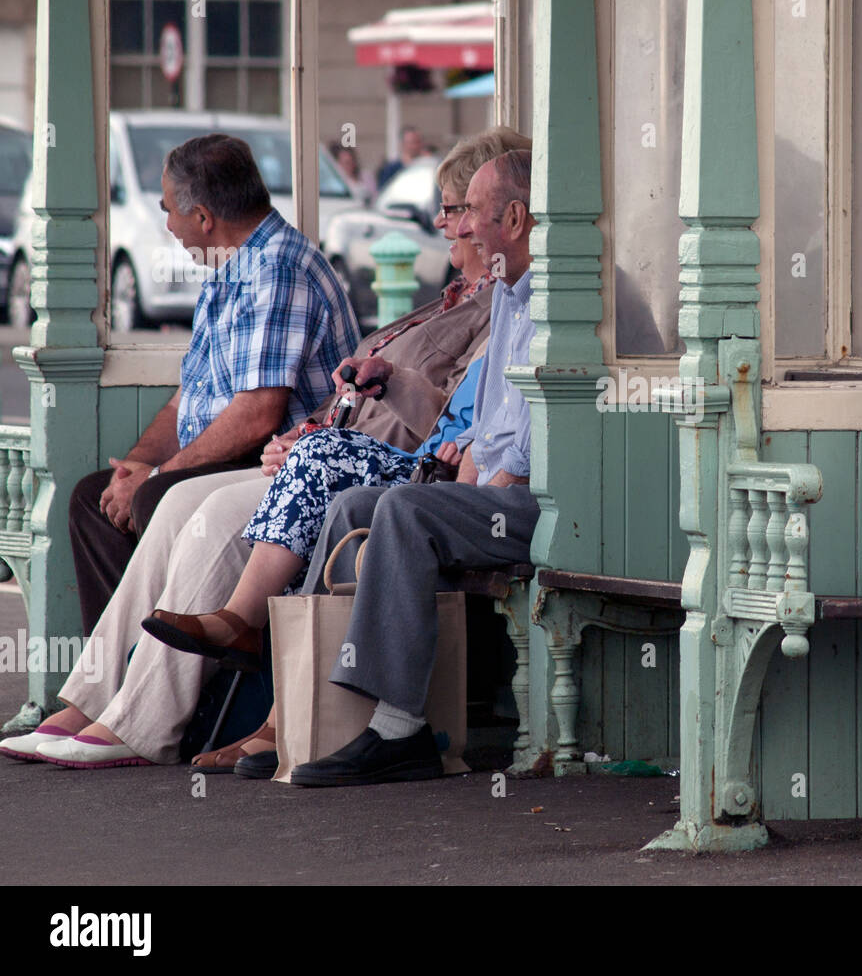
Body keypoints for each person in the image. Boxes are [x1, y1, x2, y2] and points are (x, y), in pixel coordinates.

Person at [0, 129, 530, 770]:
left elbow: (455, 422)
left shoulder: (493, 302)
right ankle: (101, 702)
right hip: (328, 451)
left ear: (508, 220)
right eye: (451, 207)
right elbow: (190, 395)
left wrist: (359, 414)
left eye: (459, 209)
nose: (446, 223)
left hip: (375, 463)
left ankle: (161, 711)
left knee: (192, 510)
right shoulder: (462, 299)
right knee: (141, 503)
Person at [284, 148, 537, 787]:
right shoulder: (509, 291)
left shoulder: (557, 299)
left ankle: (400, 730)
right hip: (488, 487)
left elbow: (539, 439)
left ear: (514, 216)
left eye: (472, 212)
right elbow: (485, 417)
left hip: (538, 501)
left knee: (403, 509)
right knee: (354, 506)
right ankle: (309, 712)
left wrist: (485, 472)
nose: (462, 228)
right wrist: (470, 454)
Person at [67, 134, 361, 637]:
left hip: (279, 464)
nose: (166, 225)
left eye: (168, 210)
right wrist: (135, 466)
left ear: (203, 217)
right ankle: (122, 665)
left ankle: (159, 666)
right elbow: (190, 394)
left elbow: (258, 416)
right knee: (95, 499)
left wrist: (156, 475)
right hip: (234, 455)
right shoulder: (231, 270)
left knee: (151, 498)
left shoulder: (277, 269)